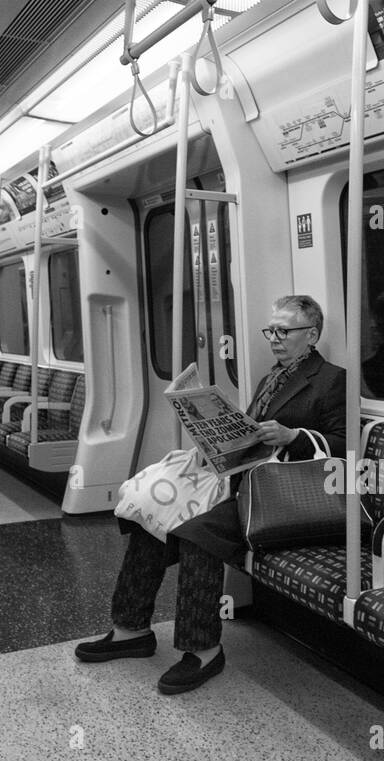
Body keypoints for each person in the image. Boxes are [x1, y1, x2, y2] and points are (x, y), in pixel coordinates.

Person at [75, 294, 346, 694]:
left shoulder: (331, 379)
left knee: (197, 535)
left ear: (312, 334)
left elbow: (342, 446)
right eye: (271, 330)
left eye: (284, 331)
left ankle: (203, 651)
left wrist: (294, 436)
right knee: (150, 523)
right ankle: (130, 629)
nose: (274, 338)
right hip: (248, 484)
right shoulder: (272, 377)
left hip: (288, 500)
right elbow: (254, 437)